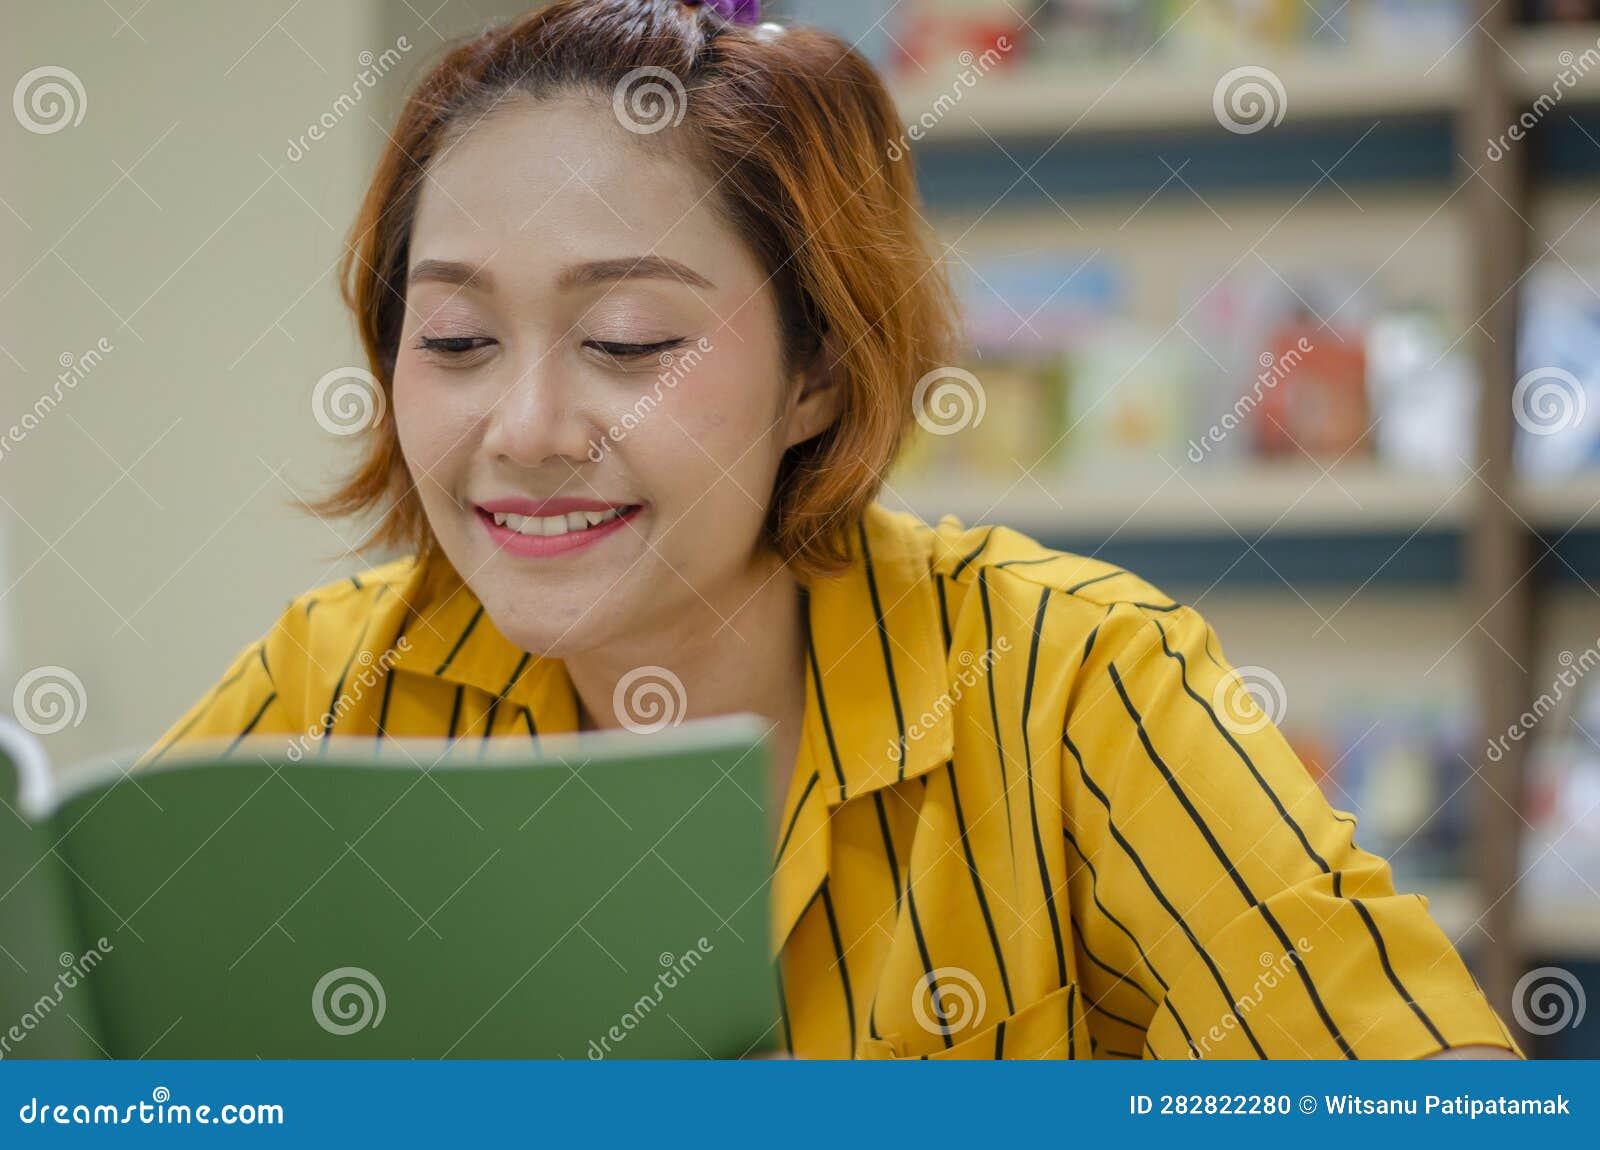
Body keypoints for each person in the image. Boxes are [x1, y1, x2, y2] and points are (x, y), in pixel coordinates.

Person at [144, 0, 1521, 1060]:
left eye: (628, 341)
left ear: (816, 369)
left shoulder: (1073, 680)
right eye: (454, 338)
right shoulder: (338, 685)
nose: (527, 424)